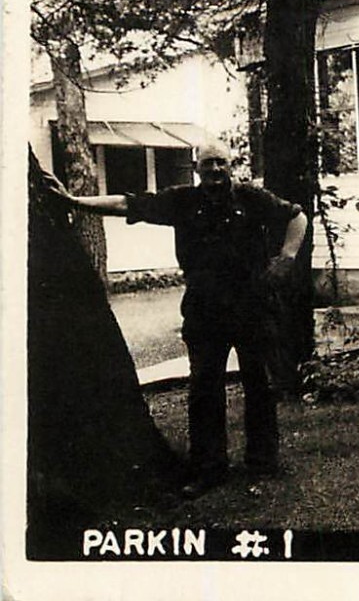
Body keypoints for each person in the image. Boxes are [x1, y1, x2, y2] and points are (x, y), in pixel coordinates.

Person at [42, 141, 308, 498]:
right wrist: (75, 202)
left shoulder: (251, 198)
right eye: (209, 164)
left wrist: (288, 257)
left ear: (231, 167)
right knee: (204, 388)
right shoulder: (182, 201)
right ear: (197, 169)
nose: (215, 170)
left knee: (258, 383)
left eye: (221, 163)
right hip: (204, 309)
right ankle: (209, 468)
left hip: (252, 305)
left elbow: (297, 216)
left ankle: (262, 460)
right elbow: (127, 203)